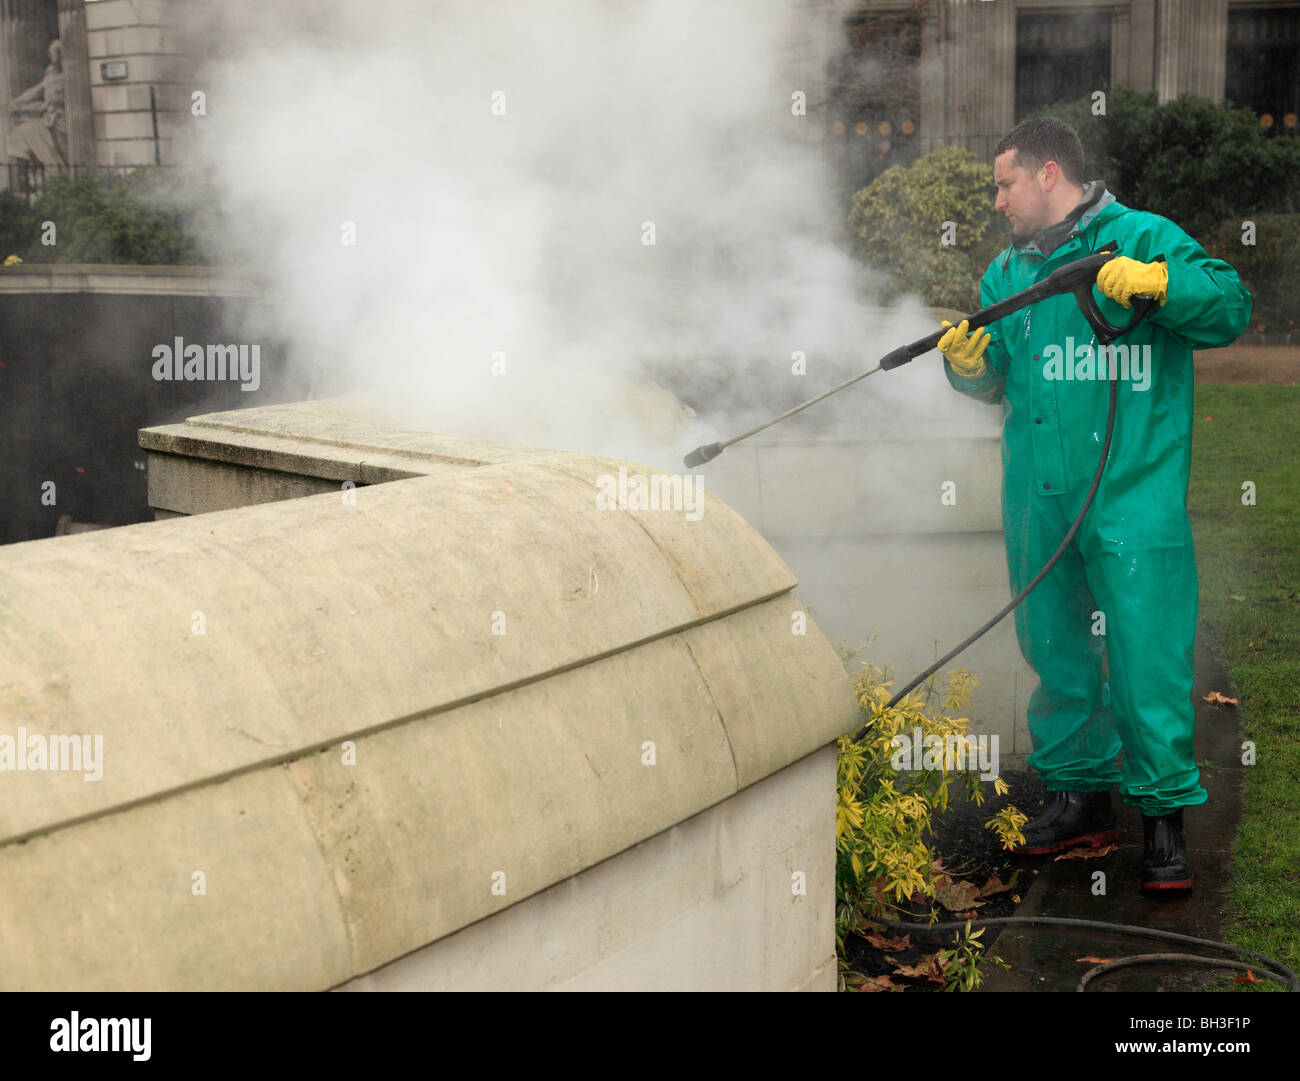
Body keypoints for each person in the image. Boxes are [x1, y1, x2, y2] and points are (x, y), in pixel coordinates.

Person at [938, 116, 1251, 891]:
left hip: (1131, 491)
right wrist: (968, 371)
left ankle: (1164, 818)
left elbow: (1229, 305)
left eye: (1005, 182)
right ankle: (1081, 796)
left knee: (1146, 649)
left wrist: (1162, 284)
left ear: (1049, 175)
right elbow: (997, 377)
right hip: (1039, 492)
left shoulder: (1141, 238)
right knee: (1055, 645)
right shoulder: (1008, 275)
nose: (998, 200)